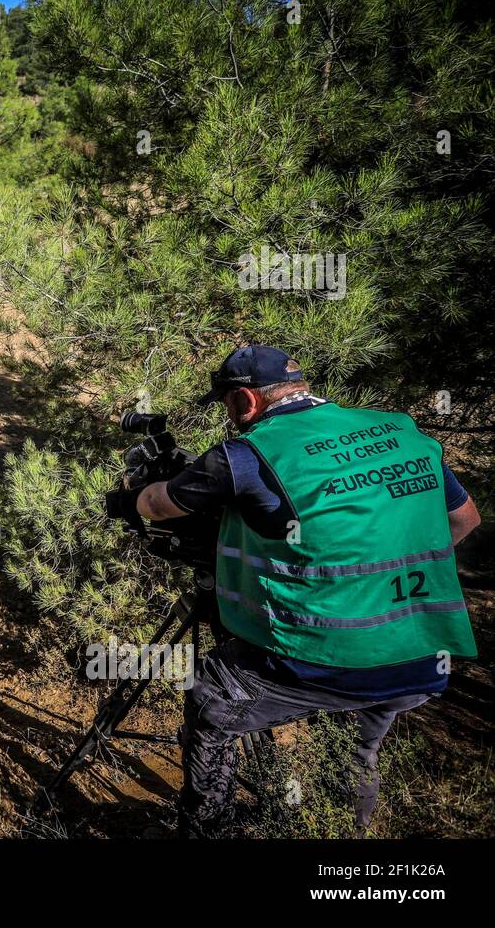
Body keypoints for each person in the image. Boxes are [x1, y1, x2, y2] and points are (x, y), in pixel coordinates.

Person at [131, 344, 481, 835]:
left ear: (247, 402)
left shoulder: (248, 454)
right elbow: (464, 519)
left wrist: (139, 488)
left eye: (230, 407)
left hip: (331, 659)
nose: (232, 420)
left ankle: (209, 828)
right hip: (420, 652)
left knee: (210, 697)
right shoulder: (397, 430)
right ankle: (343, 832)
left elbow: (157, 506)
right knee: (354, 749)